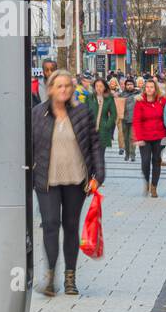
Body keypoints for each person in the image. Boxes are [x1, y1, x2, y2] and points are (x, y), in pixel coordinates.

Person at [30, 70, 101, 297]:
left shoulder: (82, 113)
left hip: (75, 179)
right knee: (50, 224)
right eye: (59, 86)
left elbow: (94, 145)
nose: (64, 90)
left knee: (71, 227)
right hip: (47, 180)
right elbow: (28, 146)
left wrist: (97, 175)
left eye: (67, 86)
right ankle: (50, 277)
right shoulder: (37, 114)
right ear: (50, 89)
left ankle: (70, 278)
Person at [133, 78, 166, 198]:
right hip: (145, 137)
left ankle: (154, 187)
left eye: (151, 87)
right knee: (145, 162)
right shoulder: (140, 101)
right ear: (144, 88)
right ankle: (146, 181)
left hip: (159, 136)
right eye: (147, 87)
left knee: (157, 161)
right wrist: (139, 138)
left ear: (155, 88)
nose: (149, 89)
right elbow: (136, 121)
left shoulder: (162, 100)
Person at [89, 77, 117, 181]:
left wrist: (107, 125)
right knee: (90, 154)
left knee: (100, 155)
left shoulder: (109, 99)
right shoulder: (90, 98)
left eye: (101, 86)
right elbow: (85, 112)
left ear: (105, 87)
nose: (99, 88)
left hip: (103, 131)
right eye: (97, 86)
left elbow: (114, 114)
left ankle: (98, 177)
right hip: (90, 131)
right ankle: (90, 175)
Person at [118, 78, 137, 162]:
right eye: (128, 84)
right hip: (124, 118)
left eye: (131, 84)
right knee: (125, 138)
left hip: (134, 119)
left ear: (134, 85)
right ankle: (127, 154)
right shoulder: (122, 95)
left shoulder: (138, 94)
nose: (129, 86)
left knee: (132, 137)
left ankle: (133, 154)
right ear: (125, 86)